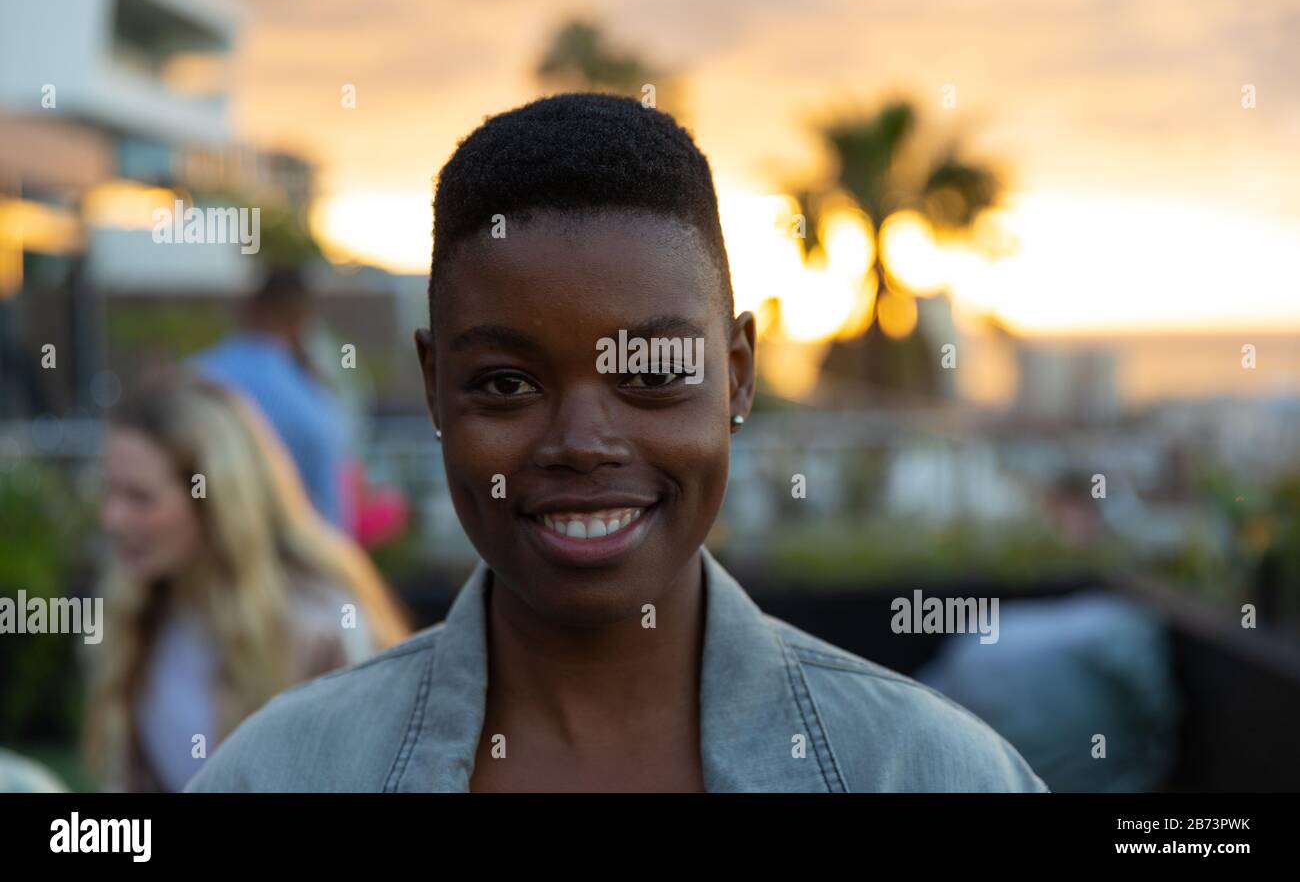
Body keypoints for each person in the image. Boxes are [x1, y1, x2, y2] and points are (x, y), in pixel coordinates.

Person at [186, 93, 1048, 792]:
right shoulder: (280, 774)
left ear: (738, 375)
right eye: (506, 383)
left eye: (651, 371)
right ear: (434, 387)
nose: (582, 443)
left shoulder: (924, 773)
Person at [86, 370, 410, 792]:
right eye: (110, 492)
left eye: (140, 498)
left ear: (218, 500)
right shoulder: (141, 612)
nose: (111, 518)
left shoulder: (320, 626)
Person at [193, 268, 351, 529]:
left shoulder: (193, 377)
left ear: (251, 309)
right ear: (302, 320)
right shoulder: (313, 405)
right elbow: (333, 522)